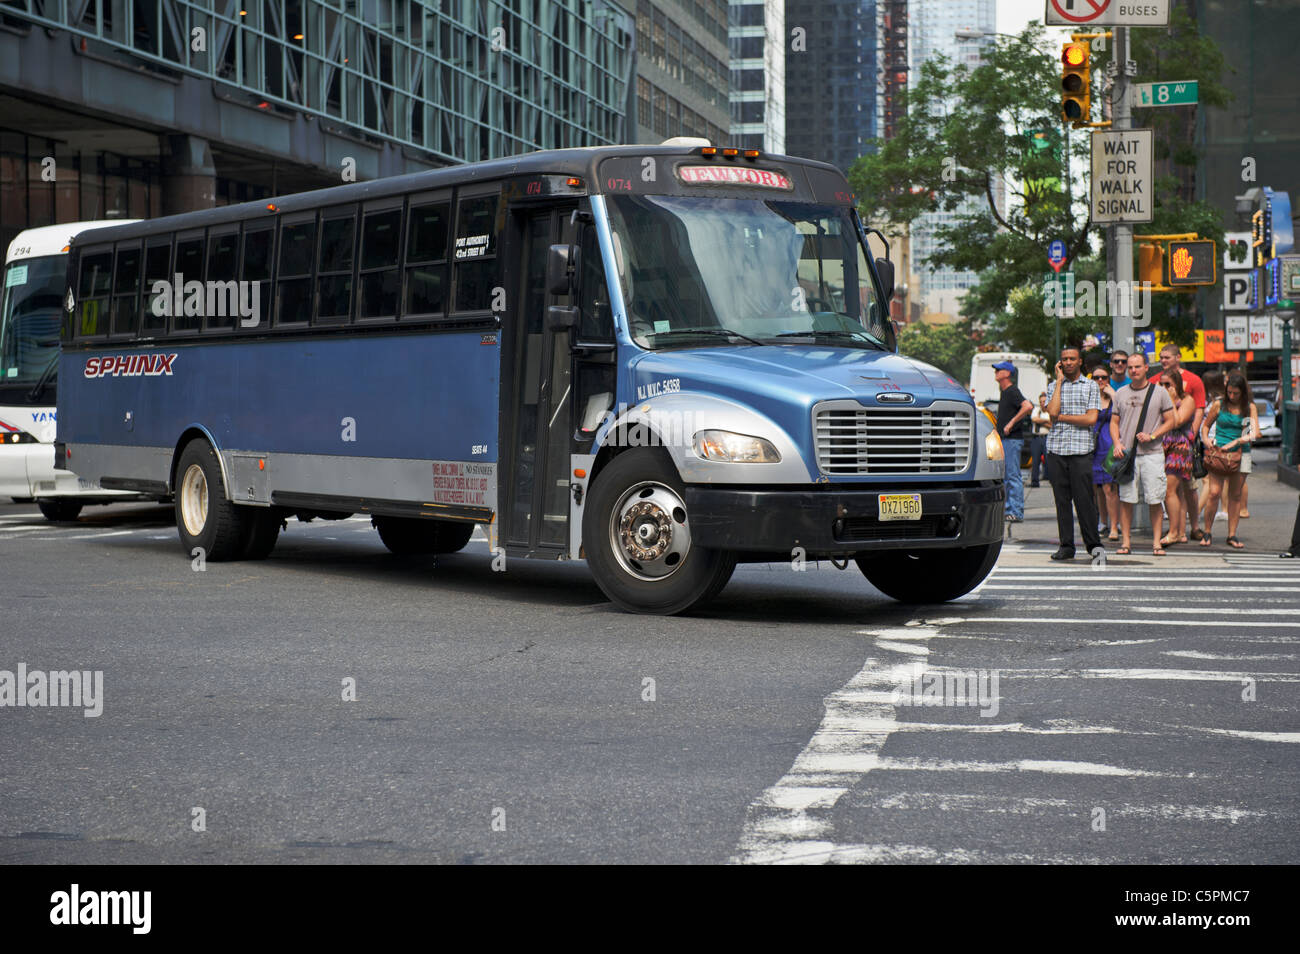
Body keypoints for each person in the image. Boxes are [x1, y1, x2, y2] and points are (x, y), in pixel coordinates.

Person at [1110, 351, 1176, 555]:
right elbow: (1114, 421)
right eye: (1130, 367)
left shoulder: (1159, 392)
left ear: (1146, 367)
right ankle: (1126, 542)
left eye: (1137, 366)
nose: (1133, 370)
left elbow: (1171, 420)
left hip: (1153, 453)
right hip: (1128, 454)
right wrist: (1117, 443)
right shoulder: (1120, 393)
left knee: (1155, 498)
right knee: (1126, 499)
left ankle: (1157, 542)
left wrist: (1153, 435)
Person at [1045, 345, 1102, 560]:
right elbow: (1051, 412)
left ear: (1080, 361)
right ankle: (1066, 546)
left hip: (1080, 451)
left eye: (1072, 359)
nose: (1068, 362)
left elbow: (1090, 419)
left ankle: (1093, 545)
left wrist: (1062, 417)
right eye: (1064, 359)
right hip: (1057, 450)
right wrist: (1059, 382)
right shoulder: (1053, 386)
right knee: (1062, 501)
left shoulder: (1090, 386)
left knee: (1084, 501)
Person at [1200, 372, 1259, 550]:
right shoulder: (1219, 404)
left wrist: (1237, 441)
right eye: (1230, 392)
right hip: (1219, 453)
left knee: (1235, 496)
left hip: (1241, 453)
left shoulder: (1249, 408)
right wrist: (1206, 440)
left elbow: (1253, 433)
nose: (1232, 396)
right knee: (1214, 492)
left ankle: (1231, 534)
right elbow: (1206, 426)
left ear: (1242, 392)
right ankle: (1207, 531)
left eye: (1236, 393)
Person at [1158, 343, 1206, 540]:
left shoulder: (1191, 385)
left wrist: (1191, 436)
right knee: (1172, 490)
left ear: (1178, 357)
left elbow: (1194, 412)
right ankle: (1177, 531)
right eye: (1161, 358)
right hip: (1164, 445)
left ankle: (1190, 528)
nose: (1163, 361)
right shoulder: (1158, 381)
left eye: (1167, 357)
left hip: (1182, 444)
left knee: (1187, 488)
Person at [1158, 368, 1196, 546]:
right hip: (1164, 446)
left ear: (1177, 385)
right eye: (1161, 384)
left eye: (1168, 384)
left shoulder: (1187, 400)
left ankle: (1173, 532)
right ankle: (1180, 532)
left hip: (1180, 447)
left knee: (1169, 489)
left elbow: (1178, 421)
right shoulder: (1158, 398)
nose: (1164, 387)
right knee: (1177, 492)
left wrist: (1172, 401)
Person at [993, 361, 1033, 522]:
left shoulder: (1012, 391)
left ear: (1007, 373)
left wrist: (1011, 423)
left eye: (998, 370)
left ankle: (1015, 511)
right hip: (1005, 440)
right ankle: (1010, 509)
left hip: (1011, 440)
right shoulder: (1005, 392)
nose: (995, 372)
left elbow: (1027, 406)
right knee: (1007, 476)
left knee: (1012, 476)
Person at [1090, 365, 1120, 541]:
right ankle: (1103, 522)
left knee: (1110, 488)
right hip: (1093, 446)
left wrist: (1113, 395)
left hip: (1109, 445)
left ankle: (1114, 526)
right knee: (1097, 488)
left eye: (1103, 377)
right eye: (1096, 378)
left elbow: (1126, 412)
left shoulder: (1115, 397)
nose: (1100, 381)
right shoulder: (1089, 397)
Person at [1029, 393, 1051, 488]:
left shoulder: (1051, 411)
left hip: (1047, 437)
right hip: (1037, 438)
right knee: (1035, 461)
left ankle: (1051, 480)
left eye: (1044, 401)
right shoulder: (1036, 410)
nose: (1042, 403)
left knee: (1049, 460)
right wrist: (1046, 421)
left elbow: (1052, 425)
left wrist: (1041, 421)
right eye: (1041, 401)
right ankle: (1034, 481)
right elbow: (1034, 419)